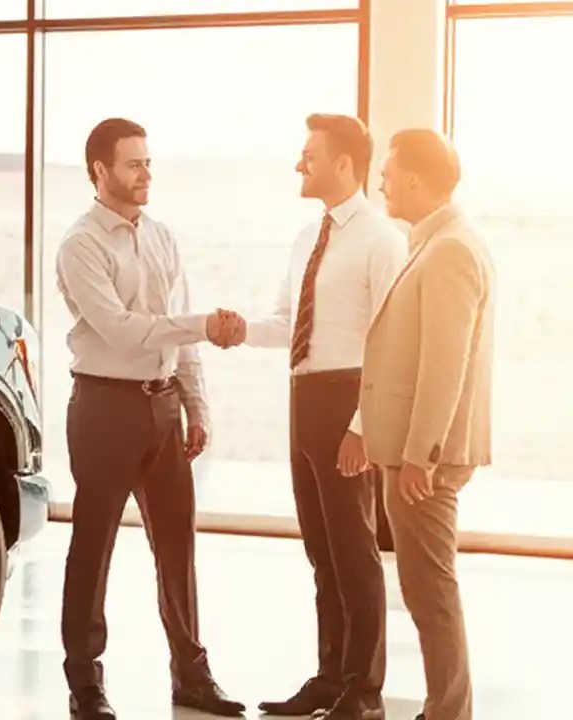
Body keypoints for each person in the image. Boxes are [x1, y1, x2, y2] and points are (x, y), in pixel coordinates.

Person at [55, 117, 246, 719]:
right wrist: (202, 325)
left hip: (162, 407)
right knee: (94, 546)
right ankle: (85, 684)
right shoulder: (81, 245)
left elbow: (176, 331)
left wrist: (195, 405)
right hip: (104, 409)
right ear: (100, 170)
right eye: (133, 164)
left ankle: (191, 675)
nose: (145, 174)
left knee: (177, 546)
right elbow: (121, 329)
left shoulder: (161, 238)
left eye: (148, 163)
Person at [237, 114, 407, 719]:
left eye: (309, 156)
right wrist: (237, 329)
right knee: (321, 552)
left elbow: (391, 342)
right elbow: (287, 324)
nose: (299, 164)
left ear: (343, 164)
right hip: (303, 399)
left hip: (348, 402)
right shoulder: (306, 238)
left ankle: (364, 691)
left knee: (355, 553)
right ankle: (330, 677)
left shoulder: (382, 240)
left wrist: (362, 427)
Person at [345, 128, 495, 720]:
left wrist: (419, 456)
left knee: (430, 590)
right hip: (411, 449)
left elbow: (444, 365)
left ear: (412, 178)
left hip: (426, 456)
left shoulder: (451, 249)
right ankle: (445, 709)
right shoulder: (435, 242)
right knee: (424, 586)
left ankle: (448, 713)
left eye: (386, 172)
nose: (380, 181)